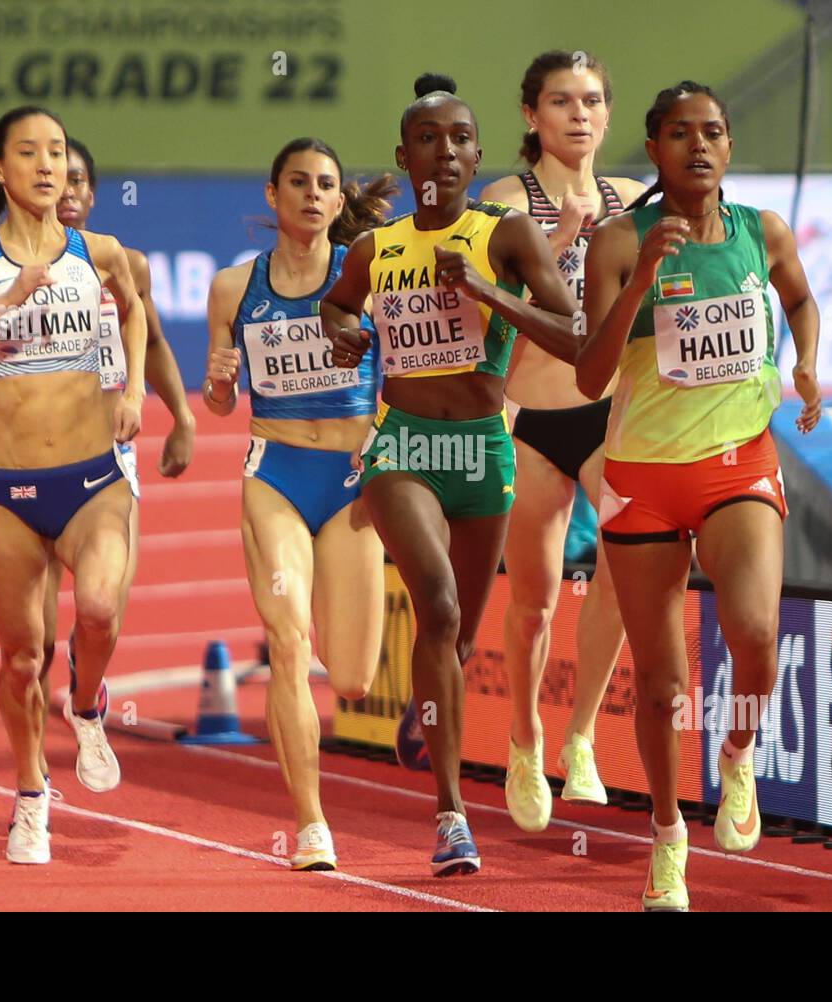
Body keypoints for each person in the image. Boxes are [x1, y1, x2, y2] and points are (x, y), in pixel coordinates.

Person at [323, 73, 580, 876]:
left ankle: (428, 709)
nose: (447, 149)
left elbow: (575, 334)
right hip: (404, 448)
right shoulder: (378, 247)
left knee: (459, 635)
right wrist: (345, 334)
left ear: (476, 155)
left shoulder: (505, 237)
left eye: (462, 138)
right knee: (433, 604)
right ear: (404, 158)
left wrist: (489, 298)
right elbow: (337, 304)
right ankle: (451, 814)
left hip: (482, 451)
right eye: (429, 139)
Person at [576, 81, 822, 910]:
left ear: (727, 144)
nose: (699, 146)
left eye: (713, 131)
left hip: (736, 465)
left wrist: (806, 362)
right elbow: (588, 374)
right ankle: (668, 834)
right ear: (653, 150)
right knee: (660, 686)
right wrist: (643, 277)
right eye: (679, 134)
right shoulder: (618, 241)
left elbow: (799, 297)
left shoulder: (763, 232)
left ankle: (737, 752)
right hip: (642, 482)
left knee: (754, 631)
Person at [0, 106, 147, 865]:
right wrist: (2, 307)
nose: (47, 165)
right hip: (9, 489)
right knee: (22, 660)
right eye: (29, 152)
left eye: (56, 151)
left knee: (103, 610)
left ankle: (88, 703)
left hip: (93, 479)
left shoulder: (98, 248)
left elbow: (136, 304)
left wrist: (137, 390)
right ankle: (30, 797)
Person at [0, 136, 196, 796]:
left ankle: (87, 703)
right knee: (35, 643)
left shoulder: (119, 261)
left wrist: (171, 411)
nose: (67, 187)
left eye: (78, 178)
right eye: (54, 171)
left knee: (101, 609)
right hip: (18, 465)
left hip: (106, 457)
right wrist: (2, 339)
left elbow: (156, 337)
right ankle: (37, 775)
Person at [205, 138, 395, 871]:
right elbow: (222, 402)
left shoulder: (370, 277)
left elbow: (407, 375)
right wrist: (221, 386)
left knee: (349, 678)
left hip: (349, 482)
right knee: (289, 645)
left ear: (340, 202)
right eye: (299, 183)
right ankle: (312, 825)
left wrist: (383, 430)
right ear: (272, 195)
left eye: (326, 185)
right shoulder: (233, 288)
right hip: (275, 474)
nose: (313, 195)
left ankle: (315, 805)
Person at [479, 50, 646, 832]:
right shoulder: (506, 199)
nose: (579, 114)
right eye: (560, 101)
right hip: (531, 416)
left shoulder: (636, 204)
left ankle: (580, 737)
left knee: (622, 567)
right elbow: (485, 308)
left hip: (608, 415)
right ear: (530, 116)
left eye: (591, 101)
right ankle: (524, 736)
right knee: (534, 602)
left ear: (609, 115)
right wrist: (561, 242)